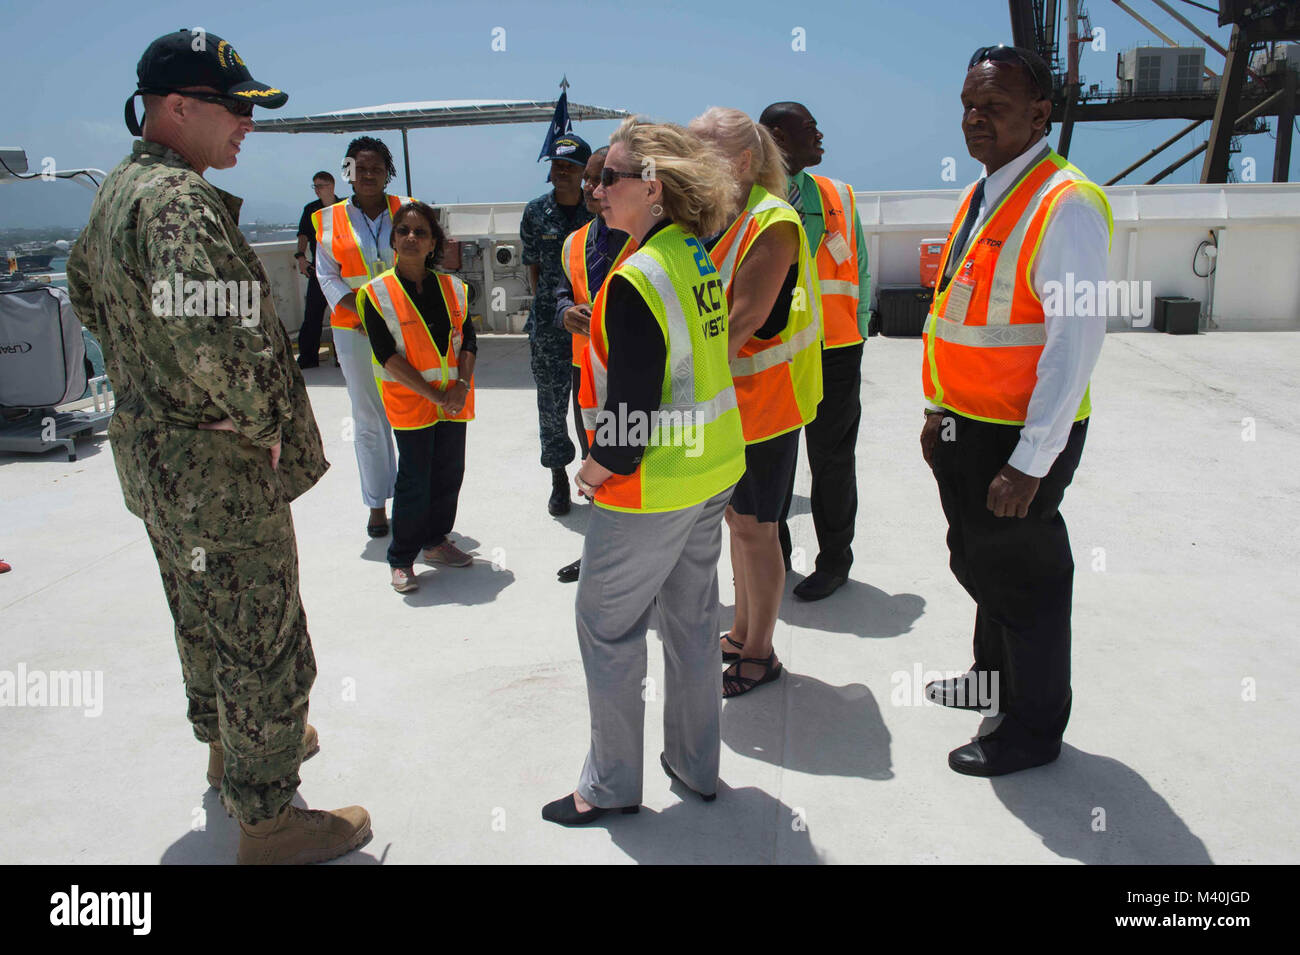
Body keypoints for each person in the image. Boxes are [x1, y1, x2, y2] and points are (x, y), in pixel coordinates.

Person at [66, 28, 370, 864]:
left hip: (158, 462)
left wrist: (160, 382)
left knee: (203, 617)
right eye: (235, 109)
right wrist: (262, 420)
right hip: (217, 474)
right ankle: (269, 820)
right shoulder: (179, 203)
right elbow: (220, 336)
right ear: (177, 108)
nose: (247, 125)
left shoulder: (120, 192)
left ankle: (230, 751)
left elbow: (87, 295)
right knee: (263, 633)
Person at [542, 119, 745, 825]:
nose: (595, 189)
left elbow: (630, 410)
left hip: (653, 487)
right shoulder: (690, 251)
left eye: (610, 178)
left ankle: (609, 784)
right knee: (690, 623)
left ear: (653, 189)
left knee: (605, 624)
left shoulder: (634, 278)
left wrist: (594, 469)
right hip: (713, 471)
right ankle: (696, 765)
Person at [920, 45, 1112, 777]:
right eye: (969, 103)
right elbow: (962, 312)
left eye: (993, 106)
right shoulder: (989, 190)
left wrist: (1031, 461)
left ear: (1040, 114)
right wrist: (939, 410)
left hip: (1020, 432)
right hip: (967, 423)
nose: (975, 117)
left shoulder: (1064, 202)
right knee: (978, 558)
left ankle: (1031, 730)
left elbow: (1073, 343)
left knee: (1026, 579)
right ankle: (989, 678)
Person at [689, 107, 823, 698]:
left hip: (765, 406)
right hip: (731, 404)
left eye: (706, 151)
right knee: (738, 524)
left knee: (757, 529)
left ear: (744, 161)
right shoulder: (722, 219)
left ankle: (761, 651)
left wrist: (674, 378)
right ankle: (742, 632)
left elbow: (741, 321)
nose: (693, 163)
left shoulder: (772, 221)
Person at [761, 102, 871, 602]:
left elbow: (861, 270)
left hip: (836, 352)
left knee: (832, 461)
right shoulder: (749, 199)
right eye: (810, 130)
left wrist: (860, 330)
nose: (821, 136)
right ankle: (774, 560)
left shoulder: (839, 196)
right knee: (773, 461)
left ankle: (834, 562)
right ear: (779, 136)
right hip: (774, 353)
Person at [356, 201, 477, 593]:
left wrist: (460, 386)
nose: (411, 238)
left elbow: (468, 340)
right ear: (393, 239)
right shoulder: (375, 294)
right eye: (403, 231)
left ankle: (437, 541)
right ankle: (402, 558)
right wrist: (434, 394)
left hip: (452, 400)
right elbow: (385, 355)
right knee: (414, 480)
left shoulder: (454, 288)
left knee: (448, 472)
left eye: (420, 232)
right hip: (412, 402)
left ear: (433, 243)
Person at [313, 137, 413, 538]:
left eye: (376, 168)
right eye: (359, 168)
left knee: (410, 412)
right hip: (353, 330)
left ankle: (413, 496)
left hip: (406, 326)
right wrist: (361, 309)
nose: (368, 174)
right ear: (347, 173)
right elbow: (327, 274)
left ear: (388, 172)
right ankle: (377, 504)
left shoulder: (406, 210)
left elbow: (424, 256)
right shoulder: (327, 219)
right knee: (368, 418)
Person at [552, 146, 637, 584]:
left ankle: (639, 565)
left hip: (635, 374)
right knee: (593, 463)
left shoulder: (647, 238)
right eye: (587, 178)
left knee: (632, 462)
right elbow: (560, 293)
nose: (590, 186)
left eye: (600, 177)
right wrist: (564, 311)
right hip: (585, 373)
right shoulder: (573, 242)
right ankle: (599, 555)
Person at [520, 133, 594, 518]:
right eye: (556, 165)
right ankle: (559, 478)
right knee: (551, 406)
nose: (560, 172)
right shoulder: (535, 213)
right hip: (549, 329)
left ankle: (594, 476)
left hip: (591, 325)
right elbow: (533, 267)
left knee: (593, 405)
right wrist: (549, 307)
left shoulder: (598, 210)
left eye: (569, 166)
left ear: (585, 173)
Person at [295, 171, 339, 369]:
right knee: (312, 314)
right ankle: (307, 358)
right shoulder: (311, 209)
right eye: (315, 186)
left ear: (331, 185)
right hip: (319, 270)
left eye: (320, 185)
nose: (317, 190)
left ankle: (342, 358)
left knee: (343, 314)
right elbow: (303, 235)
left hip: (344, 270)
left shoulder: (344, 207)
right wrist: (301, 257)